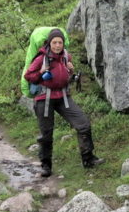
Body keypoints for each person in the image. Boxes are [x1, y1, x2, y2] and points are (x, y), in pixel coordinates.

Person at [23, 28, 103, 177]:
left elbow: (65, 77)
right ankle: (46, 166)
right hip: (44, 99)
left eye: (60, 42)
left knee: (83, 124)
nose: (58, 45)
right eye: (54, 42)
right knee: (46, 134)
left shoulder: (66, 56)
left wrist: (71, 72)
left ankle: (88, 160)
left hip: (63, 97)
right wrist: (41, 72)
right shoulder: (41, 58)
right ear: (49, 43)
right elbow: (29, 76)